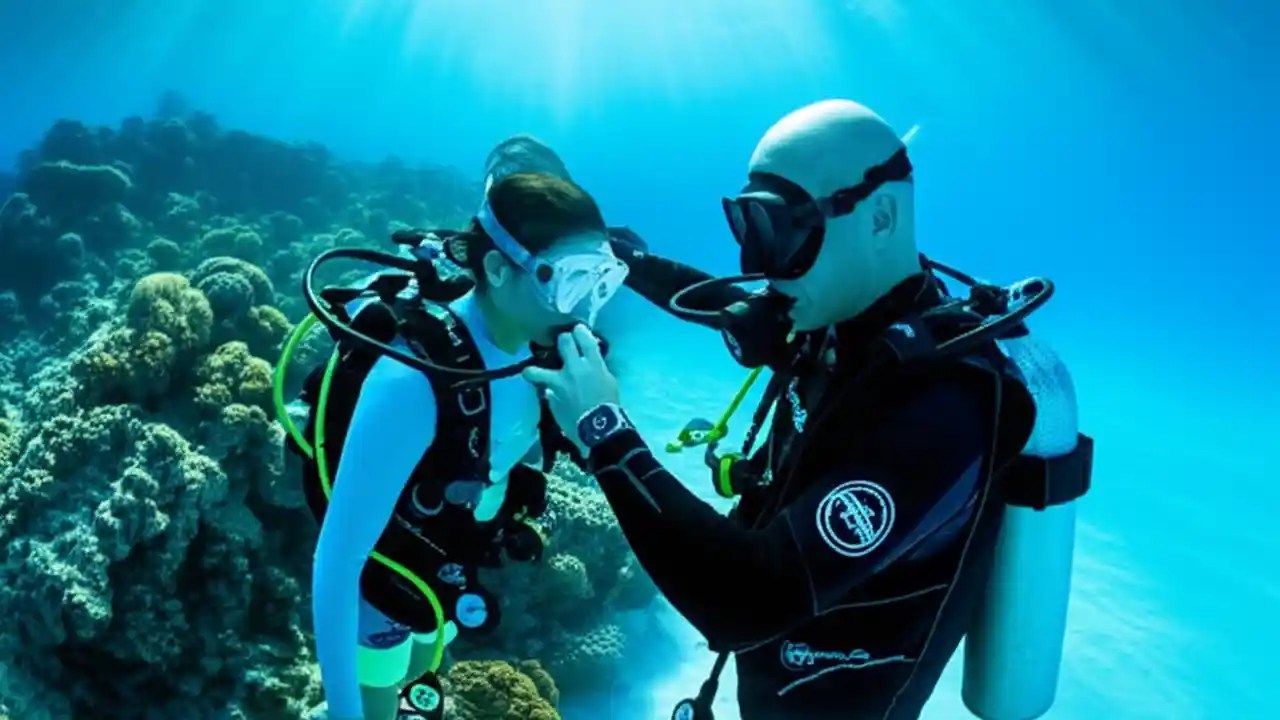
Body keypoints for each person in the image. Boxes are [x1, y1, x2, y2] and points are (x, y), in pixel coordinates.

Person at [523, 99, 1094, 720]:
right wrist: (623, 260)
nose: (758, 267)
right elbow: (715, 302)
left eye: (782, 229)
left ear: (880, 217)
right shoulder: (833, 317)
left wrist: (604, 429)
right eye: (748, 227)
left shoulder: (940, 407)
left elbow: (746, 603)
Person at [276, 171, 632, 720]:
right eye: (569, 281)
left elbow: (515, 453)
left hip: (448, 567)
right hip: (388, 580)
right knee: (378, 693)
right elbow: (338, 561)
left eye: (599, 283)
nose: (583, 308)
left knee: (422, 672)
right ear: (495, 267)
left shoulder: (539, 359)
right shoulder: (411, 381)